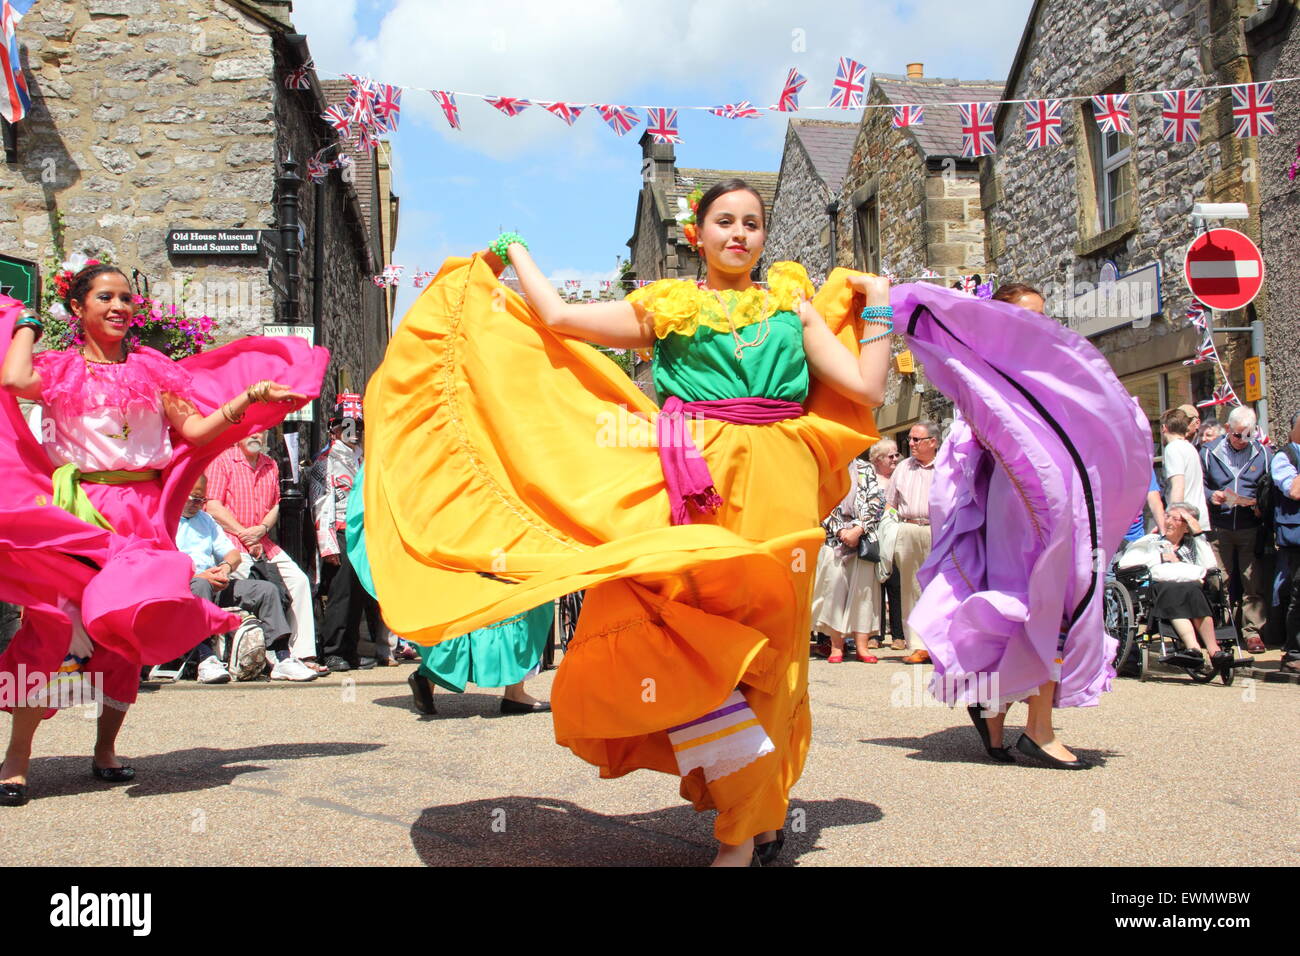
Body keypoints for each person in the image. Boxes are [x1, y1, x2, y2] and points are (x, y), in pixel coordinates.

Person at [354, 180, 890, 865]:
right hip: (693, 487)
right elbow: (558, 320)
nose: (739, 234)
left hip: (782, 483)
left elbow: (868, 390)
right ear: (696, 233)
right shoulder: (665, 307)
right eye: (724, 221)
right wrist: (515, 251)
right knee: (684, 642)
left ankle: (758, 814)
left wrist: (879, 308)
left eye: (752, 223)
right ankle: (747, 812)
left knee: (774, 659)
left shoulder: (793, 307)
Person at [0, 269, 321, 806]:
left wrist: (251, 396)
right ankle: (17, 758)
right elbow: (11, 382)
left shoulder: (152, 370)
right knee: (54, 627)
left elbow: (194, 432)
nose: (120, 305)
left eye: (126, 297)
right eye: (105, 297)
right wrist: (29, 325)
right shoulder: (58, 368)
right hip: (79, 514)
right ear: (77, 308)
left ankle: (105, 750)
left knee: (130, 628)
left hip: (141, 515)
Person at [899, 282, 1150, 770]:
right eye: (1021, 317)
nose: (1034, 326)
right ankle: (1037, 729)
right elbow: (987, 441)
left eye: (1040, 317)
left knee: (1044, 600)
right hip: (1022, 505)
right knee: (1043, 600)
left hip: (1043, 503)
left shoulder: (1039, 376)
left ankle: (997, 712)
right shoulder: (987, 380)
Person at [205, 431, 327, 675]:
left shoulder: (270, 464)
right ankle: (262, 652)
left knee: (299, 581)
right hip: (231, 542)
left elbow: (275, 505)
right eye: (251, 431)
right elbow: (213, 505)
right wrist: (243, 533)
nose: (256, 436)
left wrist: (261, 529)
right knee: (254, 584)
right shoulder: (222, 461)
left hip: (263, 541)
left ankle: (302, 653)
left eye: (261, 432)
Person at [176, 476, 310, 682]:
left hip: (214, 581)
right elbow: (161, 560)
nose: (197, 505)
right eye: (193, 498)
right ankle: (205, 657)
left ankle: (282, 656)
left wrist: (225, 567)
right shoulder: (167, 520)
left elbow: (233, 554)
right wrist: (198, 575)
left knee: (266, 590)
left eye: (202, 501)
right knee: (201, 584)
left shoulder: (205, 520)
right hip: (182, 586)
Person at [1119, 502, 1232, 672]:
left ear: (1187, 527)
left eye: (1176, 518)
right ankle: (1193, 647)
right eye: (1167, 516)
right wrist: (1162, 557)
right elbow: (1125, 564)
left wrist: (1199, 533)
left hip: (1191, 592)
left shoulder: (1193, 545)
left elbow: (1210, 567)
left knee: (1191, 590)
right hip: (1157, 590)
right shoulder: (1152, 541)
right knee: (1176, 589)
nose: (1169, 521)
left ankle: (1213, 650)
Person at [313, 401, 383, 672]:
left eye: (359, 426)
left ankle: (351, 650)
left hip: (363, 533)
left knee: (358, 593)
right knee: (340, 595)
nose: (355, 431)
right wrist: (327, 544)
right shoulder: (326, 461)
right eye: (349, 425)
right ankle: (333, 650)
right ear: (335, 428)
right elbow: (320, 504)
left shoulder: (361, 459)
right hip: (339, 531)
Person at [1200, 405, 1270, 654]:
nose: (1242, 440)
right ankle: (1224, 630)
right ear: (1228, 429)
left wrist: (1260, 505)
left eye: (1248, 435)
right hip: (1220, 525)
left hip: (1250, 526)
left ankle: (1252, 632)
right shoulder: (1209, 452)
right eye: (1238, 434)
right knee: (1221, 580)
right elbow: (1200, 484)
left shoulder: (1262, 452)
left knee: (1253, 581)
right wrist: (1212, 495)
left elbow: (1268, 487)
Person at [811, 453, 884, 663]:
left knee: (863, 592)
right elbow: (820, 501)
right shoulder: (826, 468)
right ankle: (836, 647)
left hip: (862, 537)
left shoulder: (865, 468)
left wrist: (859, 528)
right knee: (833, 589)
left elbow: (876, 501)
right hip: (834, 539)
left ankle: (862, 646)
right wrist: (841, 531)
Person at [886, 420, 940, 662]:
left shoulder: (946, 467)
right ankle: (918, 646)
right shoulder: (903, 468)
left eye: (916, 439)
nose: (911, 443)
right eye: (909, 439)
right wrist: (891, 529)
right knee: (910, 588)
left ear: (933, 442)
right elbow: (890, 502)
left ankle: (939, 645)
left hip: (937, 531)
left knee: (938, 589)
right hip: (908, 529)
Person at [1270, 411, 1300, 675]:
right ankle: (1293, 654)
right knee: (1299, 595)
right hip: (1296, 539)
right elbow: (1294, 490)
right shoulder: (1284, 457)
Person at [870, 439, 904, 648]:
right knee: (875, 585)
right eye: (890, 456)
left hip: (897, 535)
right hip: (874, 535)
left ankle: (899, 635)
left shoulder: (901, 476)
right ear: (877, 460)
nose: (895, 459)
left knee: (896, 583)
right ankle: (876, 634)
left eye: (896, 455)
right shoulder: (871, 480)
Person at [1161, 407, 1209, 527]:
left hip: (1184, 522)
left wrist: (1173, 519)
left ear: (1164, 428)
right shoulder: (1189, 447)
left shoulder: (1173, 448)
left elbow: (1178, 485)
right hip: (1197, 519)